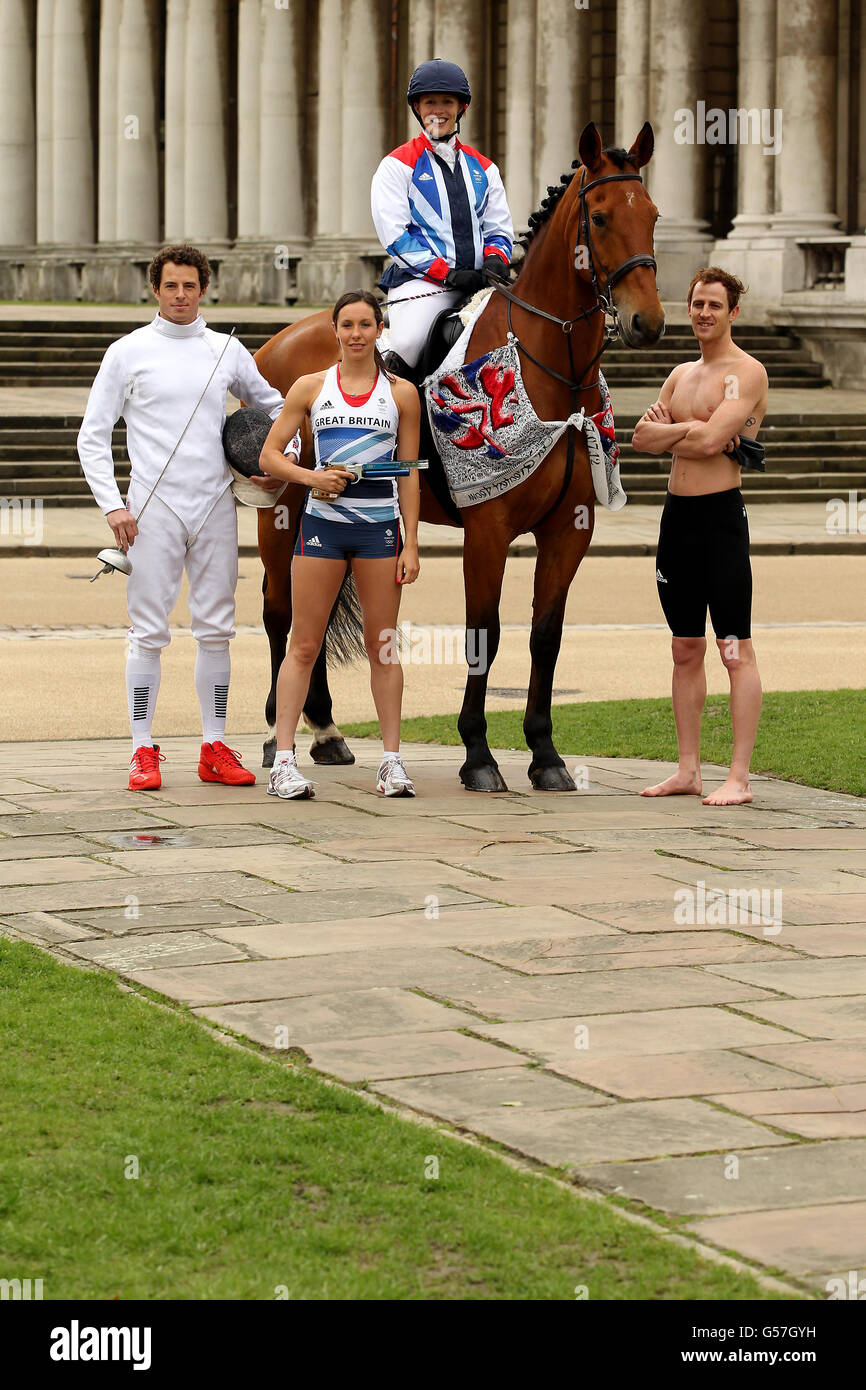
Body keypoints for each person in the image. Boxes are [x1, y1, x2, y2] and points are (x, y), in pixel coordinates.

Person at [77, 244, 298, 792]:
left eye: (190, 286)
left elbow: (275, 407)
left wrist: (281, 462)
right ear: (156, 289)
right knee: (148, 633)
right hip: (151, 511)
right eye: (171, 286)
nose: (180, 296)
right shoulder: (127, 352)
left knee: (216, 630)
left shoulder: (226, 350)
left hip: (215, 505)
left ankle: (213, 746)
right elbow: (93, 434)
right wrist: (113, 505)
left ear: (203, 289)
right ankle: (141, 748)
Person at [258, 290, 421, 800]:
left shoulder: (401, 394)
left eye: (365, 325)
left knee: (384, 647)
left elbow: (411, 474)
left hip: (379, 531)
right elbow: (268, 457)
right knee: (303, 645)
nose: (355, 334)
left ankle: (391, 763)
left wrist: (411, 542)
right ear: (335, 330)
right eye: (346, 325)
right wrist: (311, 477)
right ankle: (283, 761)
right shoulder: (310, 387)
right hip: (322, 529)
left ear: (379, 331)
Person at [631, 266, 768, 806]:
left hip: (720, 521)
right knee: (685, 648)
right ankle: (687, 770)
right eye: (697, 304)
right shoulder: (681, 374)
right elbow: (640, 438)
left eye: (714, 304)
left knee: (734, 649)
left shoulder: (747, 373)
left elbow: (713, 442)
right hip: (676, 520)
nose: (704, 313)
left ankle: (738, 776)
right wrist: (692, 432)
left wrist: (685, 431)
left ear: (733, 312)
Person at [371, 58, 514, 375]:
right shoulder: (396, 166)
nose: (439, 109)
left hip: (482, 282)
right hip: (423, 285)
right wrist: (447, 274)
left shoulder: (485, 168)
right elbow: (396, 238)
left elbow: (499, 230)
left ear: (461, 107)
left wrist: (494, 261)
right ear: (418, 108)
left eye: (447, 101)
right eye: (430, 101)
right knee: (408, 342)